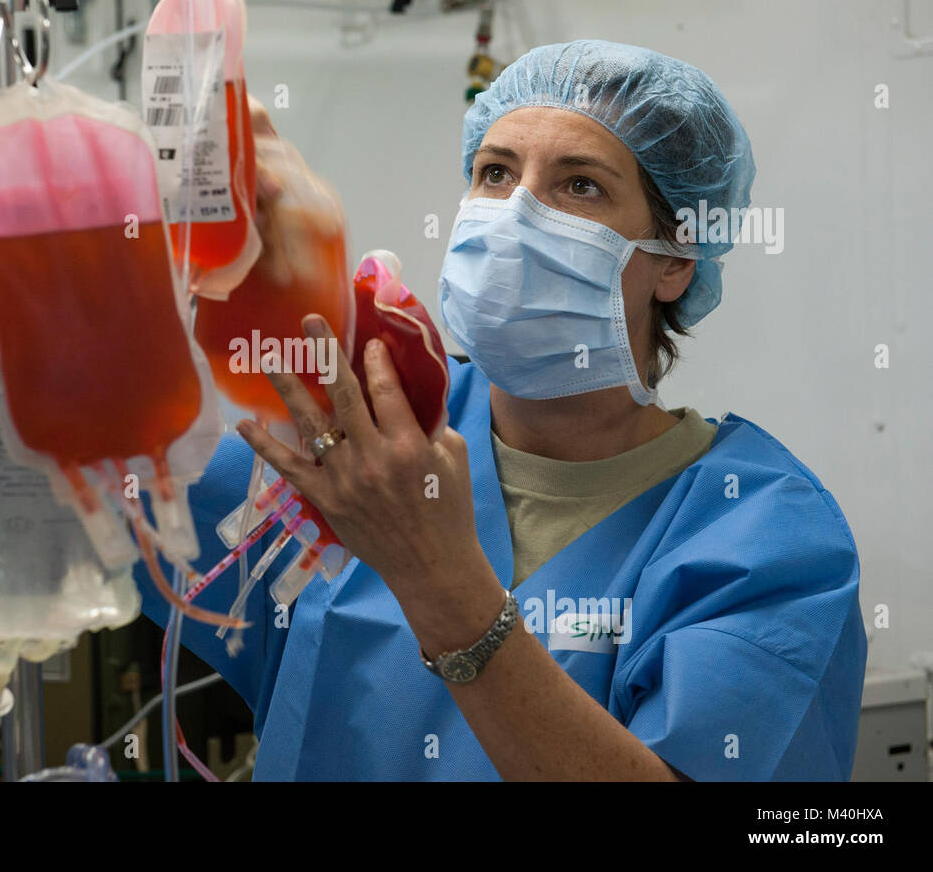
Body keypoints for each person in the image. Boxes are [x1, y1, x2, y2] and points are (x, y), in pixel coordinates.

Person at [135, 39, 866, 781]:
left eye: (580, 185)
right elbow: (88, 469)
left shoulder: (763, 537)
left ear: (676, 258)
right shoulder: (363, 431)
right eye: (495, 172)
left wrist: (438, 580)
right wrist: (145, 253)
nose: (515, 214)